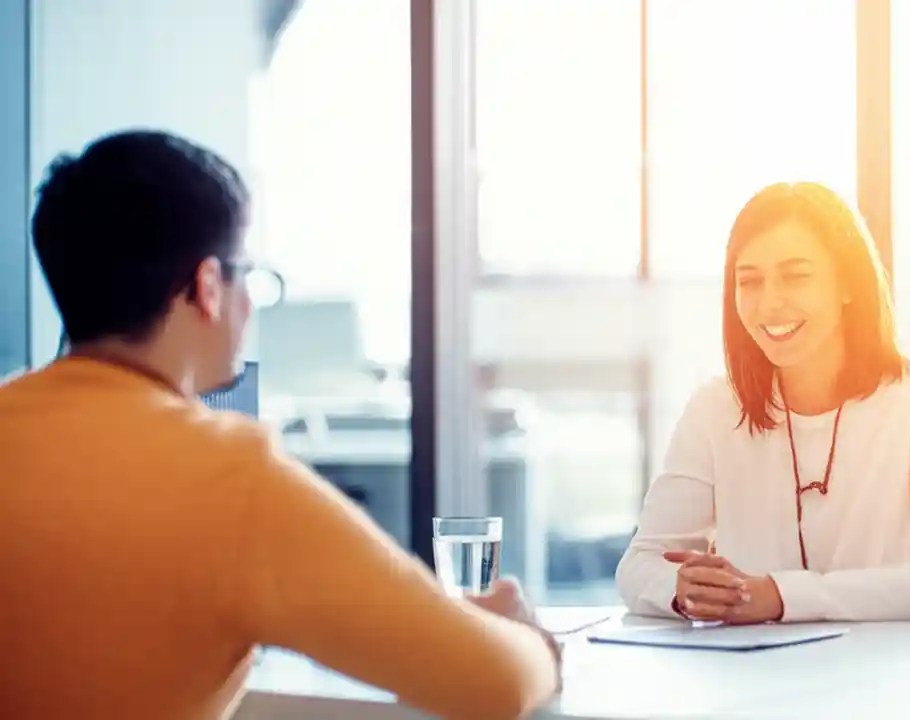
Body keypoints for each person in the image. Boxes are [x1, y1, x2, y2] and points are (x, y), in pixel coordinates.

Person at [0, 130, 559, 720]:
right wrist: (528, 640)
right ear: (208, 287)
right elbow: (496, 684)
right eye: (247, 274)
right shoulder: (226, 477)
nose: (249, 303)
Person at [616, 182, 910, 624]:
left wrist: (780, 596)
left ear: (848, 283)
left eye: (796, 276)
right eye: (749, 281)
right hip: (749, 664)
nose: (770, 303)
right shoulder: (715, 408)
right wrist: (683, 590)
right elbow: (639, 565)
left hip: (884, 663)